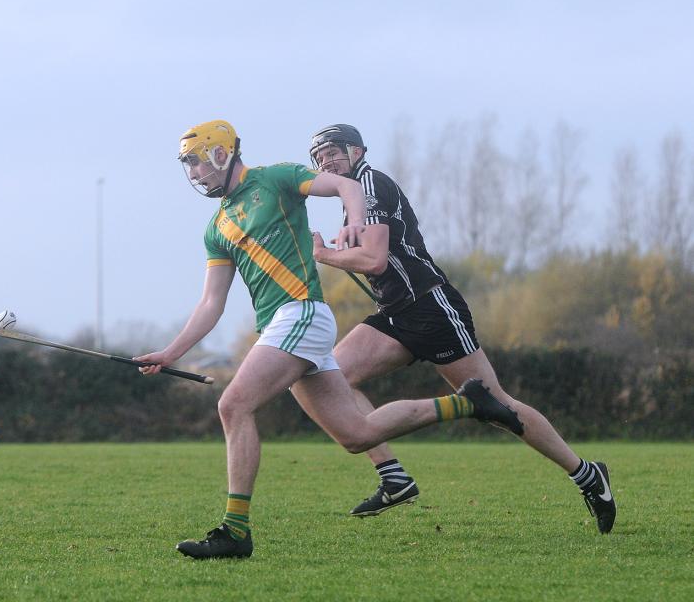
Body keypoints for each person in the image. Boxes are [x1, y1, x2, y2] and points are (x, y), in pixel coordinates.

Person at [137, 120, 524, 560]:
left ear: (222, 154)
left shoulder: (277, 179)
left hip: (301, 312)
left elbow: (347, 187)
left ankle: (235, 531)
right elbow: (211, 305)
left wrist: (355, 224)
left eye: (198, 162)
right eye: (187, 166)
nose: (194, 173)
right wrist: (170, 353)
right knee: (357, 435)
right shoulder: (216, 228)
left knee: (233, 405)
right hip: (280, 326)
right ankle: (469, 403)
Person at [299, 123, 616, 533]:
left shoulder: (371, 183)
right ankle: (393, 477)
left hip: (431, 308)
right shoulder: (353, 196)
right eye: (319, 155)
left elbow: (375, 261)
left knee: (498, 406)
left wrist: (324, 254)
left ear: (358, 150)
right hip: (396, 313)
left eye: (334, 150)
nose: (326, 159)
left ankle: (587, 474)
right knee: (334, 377)